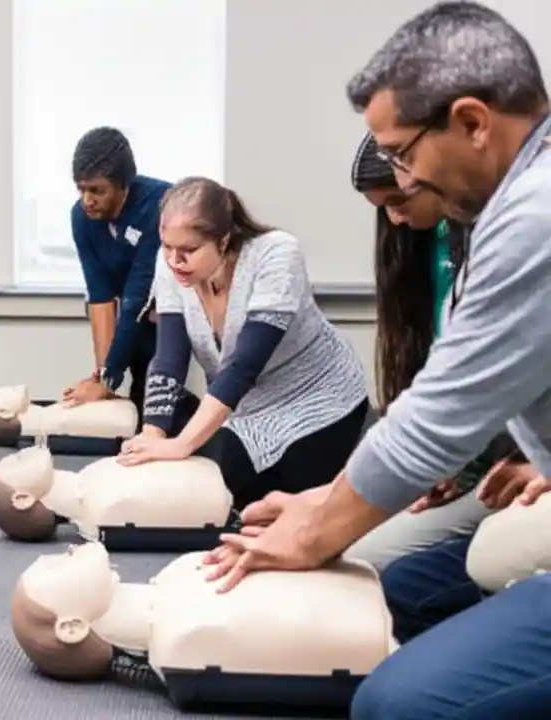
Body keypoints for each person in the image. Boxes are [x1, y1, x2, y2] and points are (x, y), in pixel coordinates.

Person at [203, 3, 551, 717]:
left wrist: (316, 528)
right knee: (393, 597)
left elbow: (435, 421)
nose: (403, 177)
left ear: (473, 123)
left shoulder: (535, 216)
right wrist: (320, 504)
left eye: (402, 152)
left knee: (396, 705)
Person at [117, 176, 369, 509]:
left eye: (188, 251)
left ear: (223, 242)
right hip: (245, 405)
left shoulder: (277, 254)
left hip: (317, 401)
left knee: (222, 467)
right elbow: (169, 356)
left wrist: (180, 445)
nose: (175, 261)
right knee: (168, 445)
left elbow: (243, 366)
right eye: (167, 247)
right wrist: (152, 435)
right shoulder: (172, 268)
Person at [342, 132, 509, 570]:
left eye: (398, 199)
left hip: (504, 467)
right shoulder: (432, 239)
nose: (395, 219)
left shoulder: (508, 241)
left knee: (363, 558)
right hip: (470, 457)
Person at [62, 127, 169, 411]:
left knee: (150, 398)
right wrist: (103, 377)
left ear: (124, 185)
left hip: (164, 315)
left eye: (97, 190)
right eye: (81, 189)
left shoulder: (159, 205)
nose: (87, 200)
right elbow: (99, 295)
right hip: (131, 312)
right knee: (112, 402)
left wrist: (108, 378)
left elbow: (139, 294)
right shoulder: (80, 216)